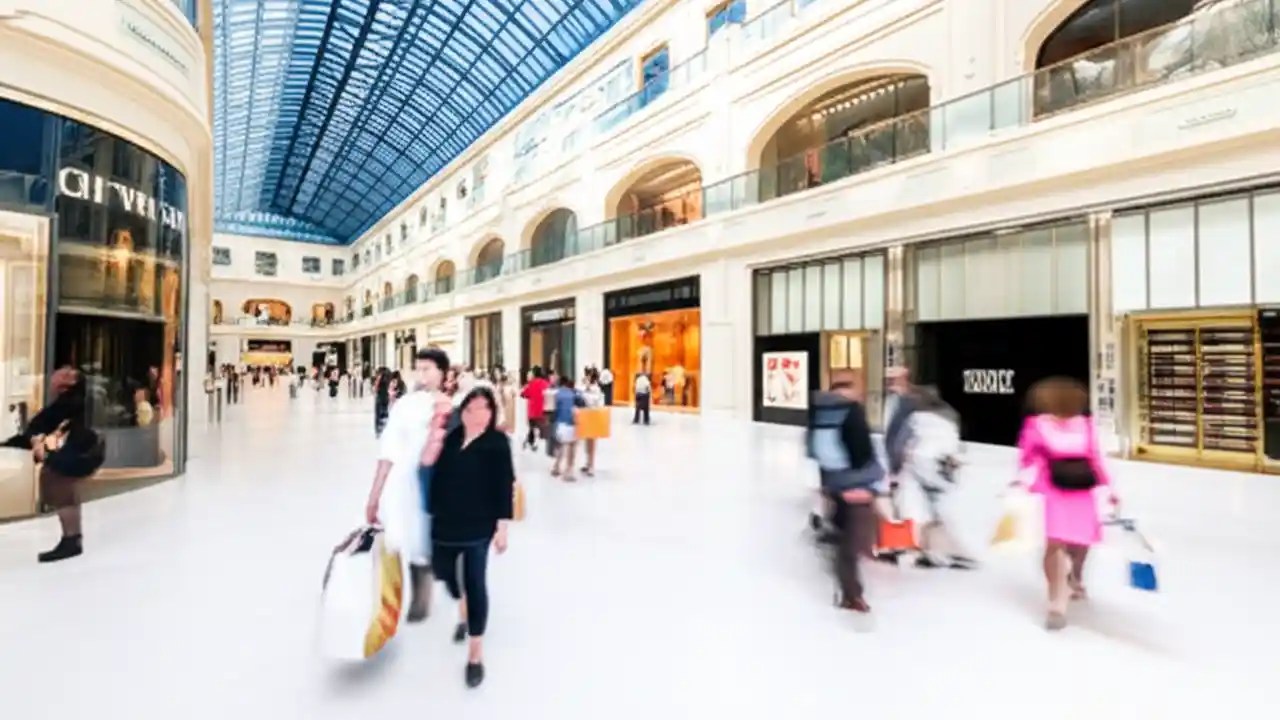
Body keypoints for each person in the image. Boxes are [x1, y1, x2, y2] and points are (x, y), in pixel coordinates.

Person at [1017, 377, 1119, 631]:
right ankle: (1060, 597)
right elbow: (1095, 458)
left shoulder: (1041, 426)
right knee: (1065, 542)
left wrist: (1024, 481)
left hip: (1063, 488)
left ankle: (1068, 584)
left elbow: (1027, 458)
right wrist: (1107, 487)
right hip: (1070, 489)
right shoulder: (1081, 426)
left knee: (1070, 542)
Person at [429, 386, 514, 688]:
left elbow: (504, 485)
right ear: (462, 411)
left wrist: (502, 527)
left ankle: (475, 653)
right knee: (445, 574)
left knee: (475, 582)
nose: (476, 414)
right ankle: (463, 604)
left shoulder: (497, 443)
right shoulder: (452, 439)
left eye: (484, 408)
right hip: (445, 524)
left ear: (492, 413)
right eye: (470, 408)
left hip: (479, 526)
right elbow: (436, 476)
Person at [365, 348, 452, 622]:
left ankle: (434, 588)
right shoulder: (406, 405)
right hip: (408, 484)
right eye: (419, 368)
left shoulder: (455, 406)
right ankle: (416, 597)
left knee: (433, 539)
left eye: (428, 368)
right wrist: (375, 495)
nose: (422, 374)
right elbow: (388, 452)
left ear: (442, 372)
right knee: (413, 540)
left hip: (443, 483)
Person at [3, 367, 104, 563]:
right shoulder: (80, 398)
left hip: (79, 453)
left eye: (62, 374)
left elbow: (42, 423)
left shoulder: (71, 400)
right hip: (84, 451)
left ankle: (71, 540)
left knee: (59, 486)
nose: (54, 377)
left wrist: (29, 439)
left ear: (68, 382)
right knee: (64, 490)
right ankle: (72, 539)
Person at [806, 370, 882, 615]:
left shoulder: (820, 410)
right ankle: (851, 594)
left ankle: (847, 581)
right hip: (856, 484)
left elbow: (810, 449)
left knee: (844, 531)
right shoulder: (851, 411)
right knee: (852, 539)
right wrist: (868, 479)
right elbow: (862, 452)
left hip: (832, 482)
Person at [906, 387, 973, 569]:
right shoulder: (949, 416)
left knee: (930, 510)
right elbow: (953, 444)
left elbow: (906, 442)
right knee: (938, 509)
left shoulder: (914, 417)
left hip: (920, 465)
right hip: (940, 467)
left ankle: (931, 550)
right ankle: (944, 551)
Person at [551, 376, 585, 480]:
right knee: (572, 446)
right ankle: (568, 471)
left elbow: (554, 412)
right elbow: (583, 405)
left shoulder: (556, 394)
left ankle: (556, 467)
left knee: (561, 445)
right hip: (571, 425)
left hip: (560, 426)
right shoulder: (575, 394)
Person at [580, 369, 605, 477]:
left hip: (593, 418)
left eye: (587, 376)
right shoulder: (585, 388)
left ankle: (591, 466)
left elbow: (594, 403)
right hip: (586, 417)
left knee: (592, 443)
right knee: (587, 442)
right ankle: (587, 463)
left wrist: (586, 391)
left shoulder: (596, 390)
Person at [520, 367, 550, 451]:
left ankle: (531, 442)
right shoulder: (546, 384)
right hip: (543, 411)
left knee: (532, 427)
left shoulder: (531, 384)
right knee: (539, 428)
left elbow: (523, 394)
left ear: (534, 374)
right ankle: (531, 442)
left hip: (532, 412)